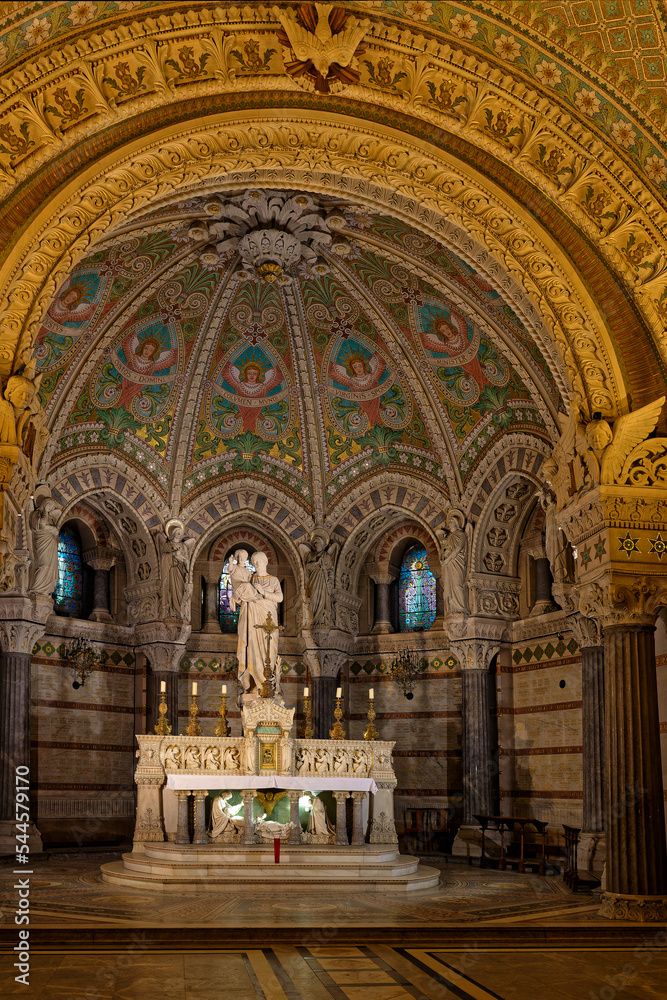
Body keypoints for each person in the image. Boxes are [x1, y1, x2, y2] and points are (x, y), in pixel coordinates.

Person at [230, 549, 283, 701]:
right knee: (252, 650)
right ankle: (255, 685)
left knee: (269, 651)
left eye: (261, 561)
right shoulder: (250, 579)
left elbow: (279, 597)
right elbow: (241, 587)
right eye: (255, 563)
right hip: (252, 622)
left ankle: (270, 685)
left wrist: (264, 593)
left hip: (269, 620)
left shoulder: (273, 580)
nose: (258, 564)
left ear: (266, 562)